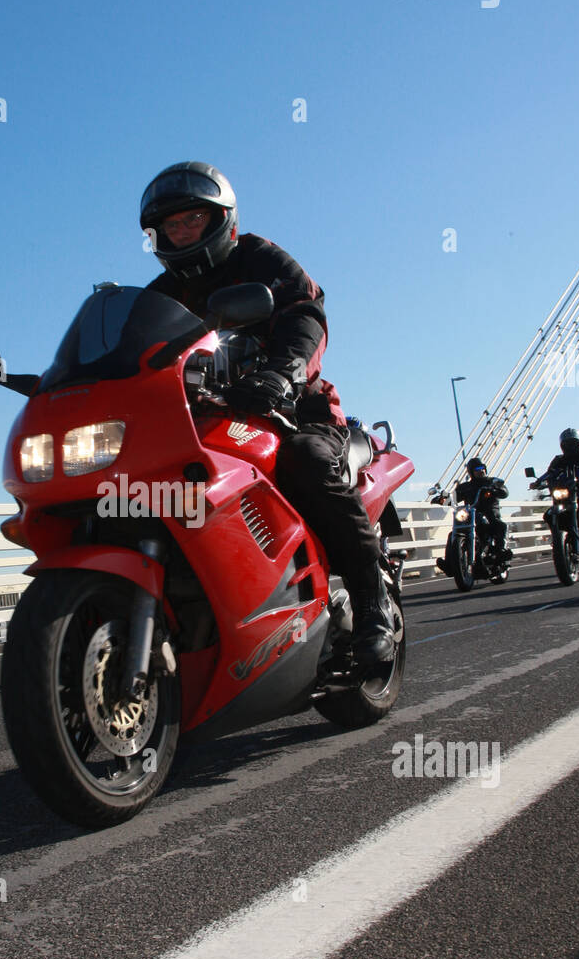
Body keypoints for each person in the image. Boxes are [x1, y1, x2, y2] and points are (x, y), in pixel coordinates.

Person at [140, 160, 396, 668]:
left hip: (296, 410)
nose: (182, 231)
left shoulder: (261, 259)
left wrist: (284, 373)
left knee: (305, 459)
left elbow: (304, 315)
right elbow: (135, 356)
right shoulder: (157, 298)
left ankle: (372, 603)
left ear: (220, 221)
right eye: (172, 225)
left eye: (192, 220)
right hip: (205, 422)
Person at [436, 458, 512, 575]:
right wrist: (442, 499)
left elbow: (505, 492)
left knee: (500, 526)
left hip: (490, 515)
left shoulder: (492, 481)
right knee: (453, 534)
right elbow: (454, 498)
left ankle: (500, 552)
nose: (481, 471)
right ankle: (450, 565)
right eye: (477, 469)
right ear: (471, 472)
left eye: (482, 468)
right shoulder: (465, 487)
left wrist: (496, 489)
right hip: (472, 517)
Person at [531, 428, 579, 531]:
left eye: (573, 443)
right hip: (566, 495)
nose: (570, 446)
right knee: (549, 515)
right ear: (562, 445)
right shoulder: (559, 460)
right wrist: (538, 482)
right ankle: (557, 541)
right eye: (567, 443)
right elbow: (549, 473)